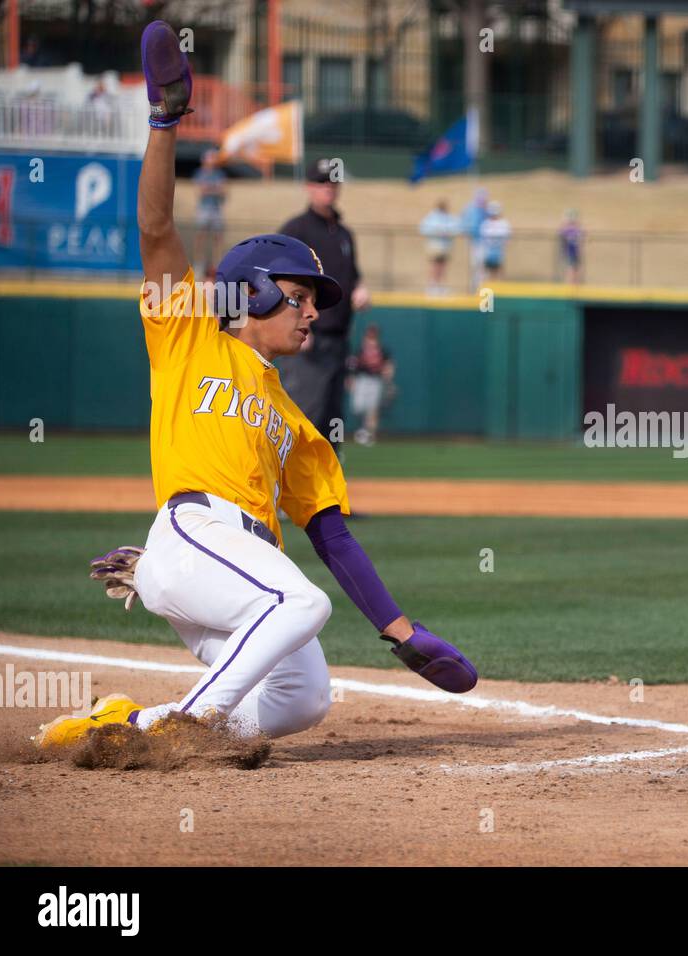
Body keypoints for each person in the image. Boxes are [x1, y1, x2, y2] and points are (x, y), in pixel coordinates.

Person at [35, 21, 476, 749]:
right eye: (299, 297)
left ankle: (126, 726)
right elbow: (154, 229)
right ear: (254, 294)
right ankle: (180, 732)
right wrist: (165, 123)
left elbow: (332, 534)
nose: (310, 313)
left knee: (305, 699)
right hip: (192, 535)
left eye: (314, 303)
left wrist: (400, 632)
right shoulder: (187, 334)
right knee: (300, 603)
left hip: (239, 569)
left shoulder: (291, 416)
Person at [274, 157, 372, 451]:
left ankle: (324, 494)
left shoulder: (344, 234)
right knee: (303, 417)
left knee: (332, 422)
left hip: (338, 342)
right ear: (308, 187)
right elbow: (280, 282)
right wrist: (297, 326)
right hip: (309, 340)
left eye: (332, 182)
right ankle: (287, 490)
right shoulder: (296, 230)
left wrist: (360, 289)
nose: (327, 188)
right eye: (320, 182)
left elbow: (352, 276)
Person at [347, 323, 394, 446]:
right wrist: (351, 379)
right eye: (370, 335)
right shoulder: (361, 349)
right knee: (358, 408)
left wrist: (388, 380)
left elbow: (388, 366)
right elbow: (353, 366)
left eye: (374, 335)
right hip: (361, 380)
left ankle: (369, 435)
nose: (371, 337)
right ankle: (363, 430)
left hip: (375, 381)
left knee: (372, 409)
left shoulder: (382, 350)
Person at [192, 148, 227, 278]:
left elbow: (223, 191)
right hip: (204, 209)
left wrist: (210, 189)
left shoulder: (220, 174)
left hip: (216, 209)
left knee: (218, 238)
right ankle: (199, 266)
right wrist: (215, 189)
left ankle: (218, 266)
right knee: (200, 237)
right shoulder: (200, 173)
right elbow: (201, 191)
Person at [420, 198, 458, 294]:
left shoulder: (449, 217)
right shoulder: (432, 216)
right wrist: (436, 232)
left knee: (443, 266)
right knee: (435, 266)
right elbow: (424, 228)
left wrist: (448, 232)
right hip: (435, 245)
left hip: (445, 246)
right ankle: (432, 285)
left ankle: (441, 286)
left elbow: (455, 228)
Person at [460, 187, 490, 290]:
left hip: (484, 242)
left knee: (482, 265)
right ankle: (475, 286)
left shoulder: (486, 210)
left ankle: (481, 286)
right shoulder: (470, 209)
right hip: (474, 242)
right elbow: (464, 223)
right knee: (475, 264)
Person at [479, 200, 511, 280]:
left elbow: (505, 237)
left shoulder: (503, 223)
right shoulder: (486, 223)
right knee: (486, 273)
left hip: (499, 253)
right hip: (487, 253)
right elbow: (484, 237)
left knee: (498, 272)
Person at [559, 208, 584, 284]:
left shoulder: (575, 228)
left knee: (576, 268)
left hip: (574, 250)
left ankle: (575, 283)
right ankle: (570, 283)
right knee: (571, 268)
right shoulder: (567, 229)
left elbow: (581, 236)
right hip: (570, 250)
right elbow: (562, 234)